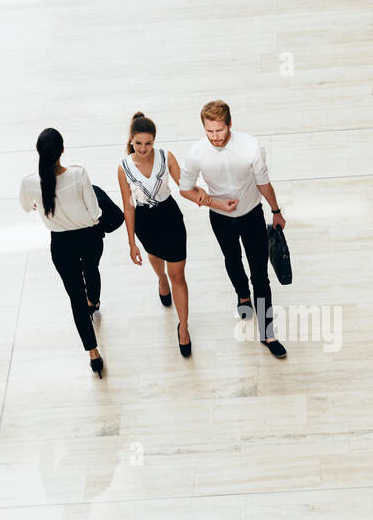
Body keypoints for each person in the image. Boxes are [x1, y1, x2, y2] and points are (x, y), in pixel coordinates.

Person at [178, 100, 287, 357]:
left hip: (252, 215)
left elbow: (263, 183)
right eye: (209, 131)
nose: (215, 137)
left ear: (229, 125)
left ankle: (268, 333)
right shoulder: (196, 153)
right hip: (220, 218)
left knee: (260, 274)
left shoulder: (251, 147)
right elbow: (185, 189)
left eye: (219, 130)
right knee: (232, 259)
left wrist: (276, 211)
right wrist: (213, 202)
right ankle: (242, 295)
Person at [19, 127, 118, 378]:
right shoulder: (78, 174)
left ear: (39, 152)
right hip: (89, 237)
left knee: (75, 297)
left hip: (61, 245)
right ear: (63, 150)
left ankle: (93, 353)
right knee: (92, 269)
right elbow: (95, 212)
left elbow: (25, 206)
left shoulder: (30, 182)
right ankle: (94, 301)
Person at [118, 111, 192, 357]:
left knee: (178, 274)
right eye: (138, 143)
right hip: (144, 221)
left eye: (148, 143)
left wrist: (204, 192)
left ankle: (183, 328)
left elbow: (184, 183)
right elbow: (128, 205)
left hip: (169, 215)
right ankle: (161, 280)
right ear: (131, 139)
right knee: (156, 258)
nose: (143, 148)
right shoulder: (124, 167)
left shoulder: (165, 156)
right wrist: (131, 242)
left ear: (154, 140)